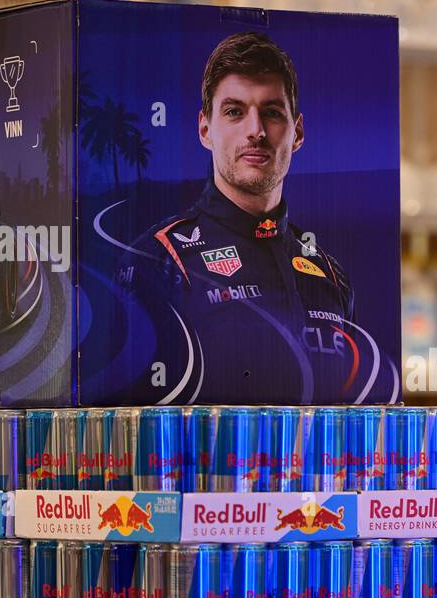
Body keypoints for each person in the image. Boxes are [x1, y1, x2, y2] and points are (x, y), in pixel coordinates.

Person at [114, 32, 356, 404]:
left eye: (272, 112)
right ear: (205, 129)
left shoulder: (329, 274)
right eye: (234, 112)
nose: (255, 131)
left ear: (298, 132)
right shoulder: (158, 261)